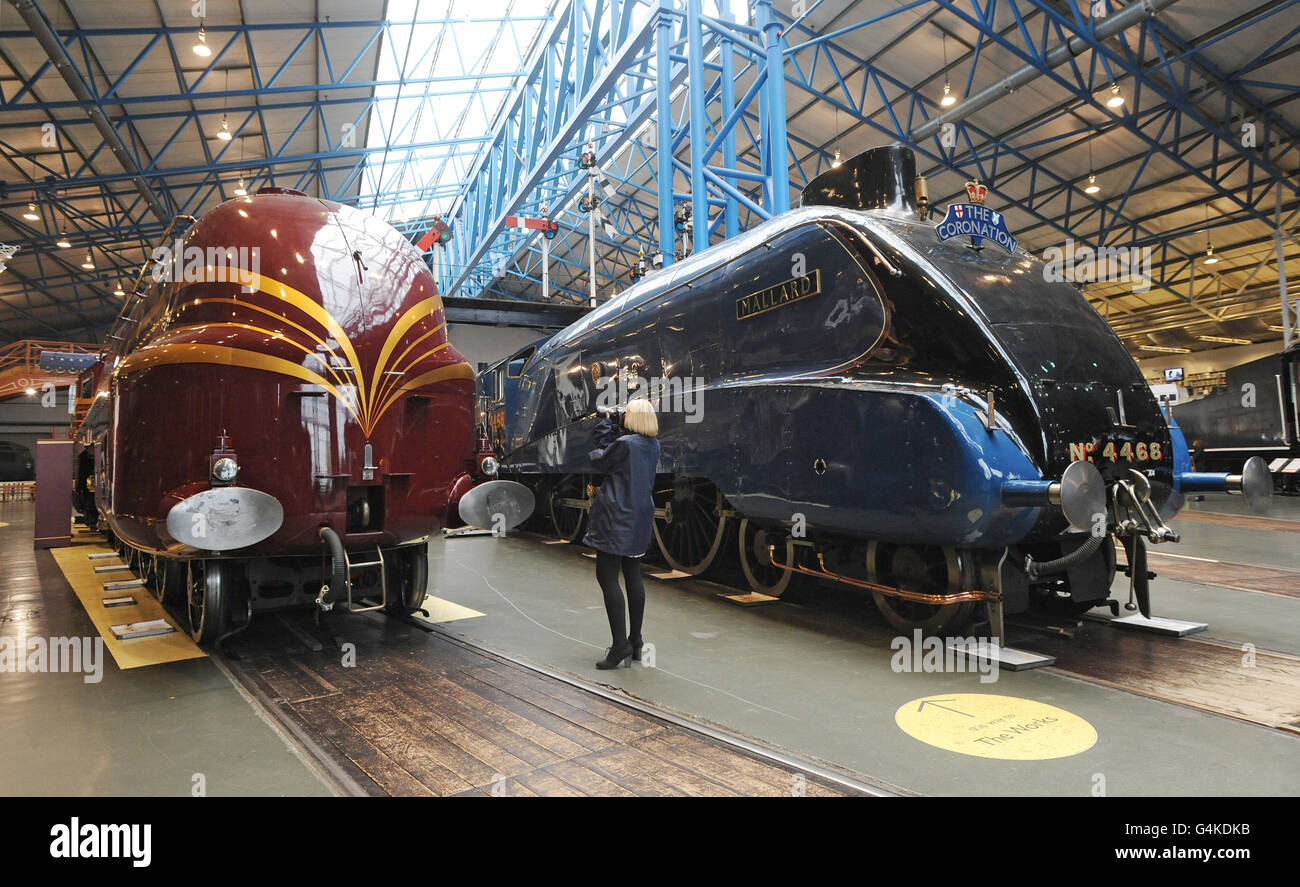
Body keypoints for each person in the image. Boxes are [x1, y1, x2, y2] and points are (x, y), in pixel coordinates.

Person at [583, 397, 661, 669]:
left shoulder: (625, 444)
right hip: (640, 517)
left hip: (617, 517)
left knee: (606, 576)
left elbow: (600, 461)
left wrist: (603, 426)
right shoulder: (652, 445)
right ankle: (636, 642)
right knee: (632, 574)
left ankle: (619, 647)